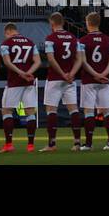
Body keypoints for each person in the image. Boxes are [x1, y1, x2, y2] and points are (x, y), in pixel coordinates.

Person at [41, 12, 83, 152]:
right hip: (70, 80)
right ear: (63, 23)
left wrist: (62, 74)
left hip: (55, 78)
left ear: (52, 23)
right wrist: (71, 74)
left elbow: (51, 59)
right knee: (74, 110)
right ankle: (77, 143)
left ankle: (52, 144)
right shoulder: (73, 38)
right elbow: (79, 59)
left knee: (51, 110)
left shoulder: (50, 38)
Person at [77, 12, 109, 150]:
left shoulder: (82, 41)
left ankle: (88, 144)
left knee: (89, 112)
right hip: (103, 80)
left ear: (88, 23)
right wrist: (103, 74)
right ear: (99, 23)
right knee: (107, 111)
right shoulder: (108, 40)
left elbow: (82, 61)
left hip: (89, 80)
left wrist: (95, 74)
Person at [0, 22, 40, 153]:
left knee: (7, 111)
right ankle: (31, 145)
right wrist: (29, 72)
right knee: (30, 112)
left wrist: (21, 73)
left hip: (14, 82)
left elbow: (7, 62)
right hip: (28, 82)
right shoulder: (30, 42)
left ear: (8, 32)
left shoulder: (6, 44)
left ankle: (9, 144)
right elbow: (38, 61)